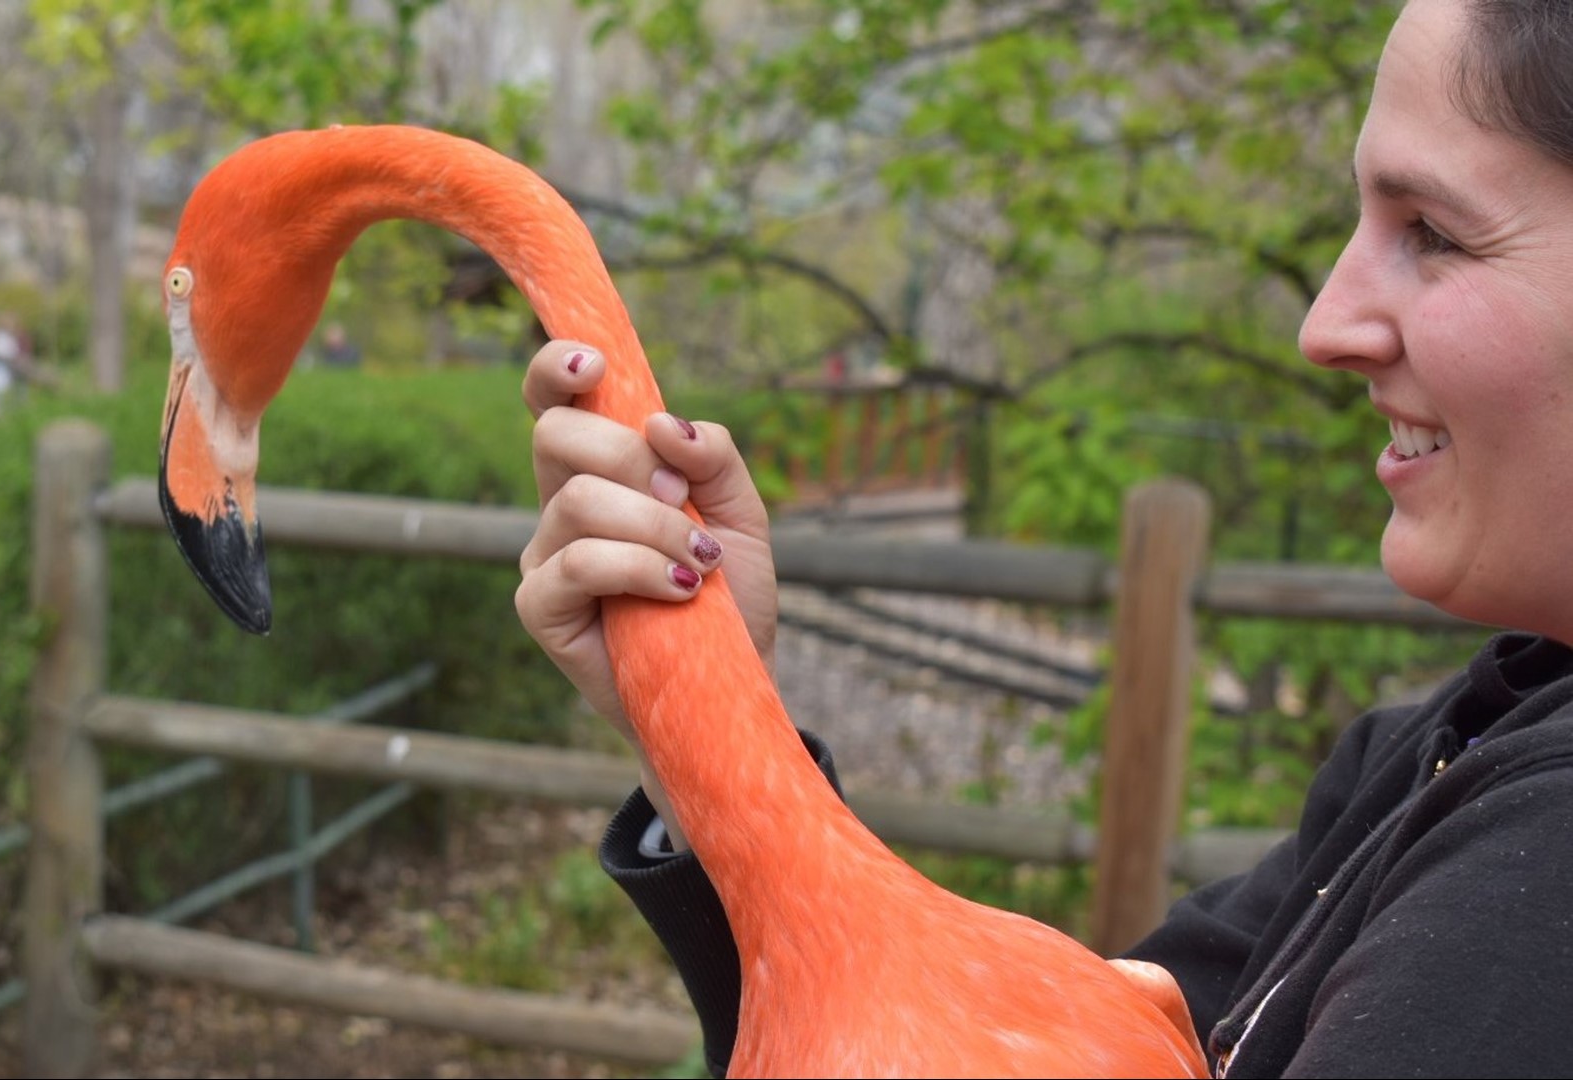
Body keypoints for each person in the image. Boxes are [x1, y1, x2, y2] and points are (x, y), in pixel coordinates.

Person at [513, 1, 1573, 1075]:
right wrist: (708, 705)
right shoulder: (1440, 751)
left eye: (1433, 233)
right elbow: (985, 1047)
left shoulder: (1541, 863)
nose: (1324, 326)